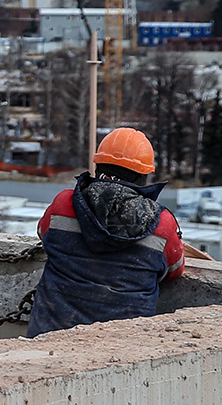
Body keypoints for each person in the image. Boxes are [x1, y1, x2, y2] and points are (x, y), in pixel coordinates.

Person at [27, 127, 184, 337]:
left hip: (48, 337)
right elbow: (174, 270)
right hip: (121, 347)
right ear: (144, 176)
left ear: (98, 165)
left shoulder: (64, 204)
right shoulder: (162, 225)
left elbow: (43, 234)